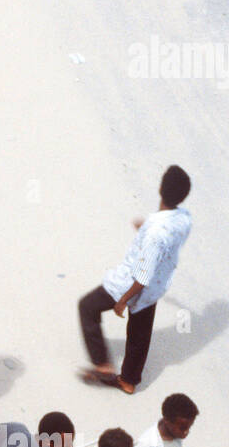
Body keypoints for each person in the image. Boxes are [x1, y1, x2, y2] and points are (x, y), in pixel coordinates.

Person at [79, 165, 193, 393]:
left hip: (130, 283)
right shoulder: (183, 219)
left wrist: (123, 300)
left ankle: (102, 364)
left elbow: (142, 276)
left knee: (87, 307)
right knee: (139, 332)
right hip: (157, 286)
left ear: (160, 188)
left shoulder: (155, 234)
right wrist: (146, 229)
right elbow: (164, 243)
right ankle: (129, 380)